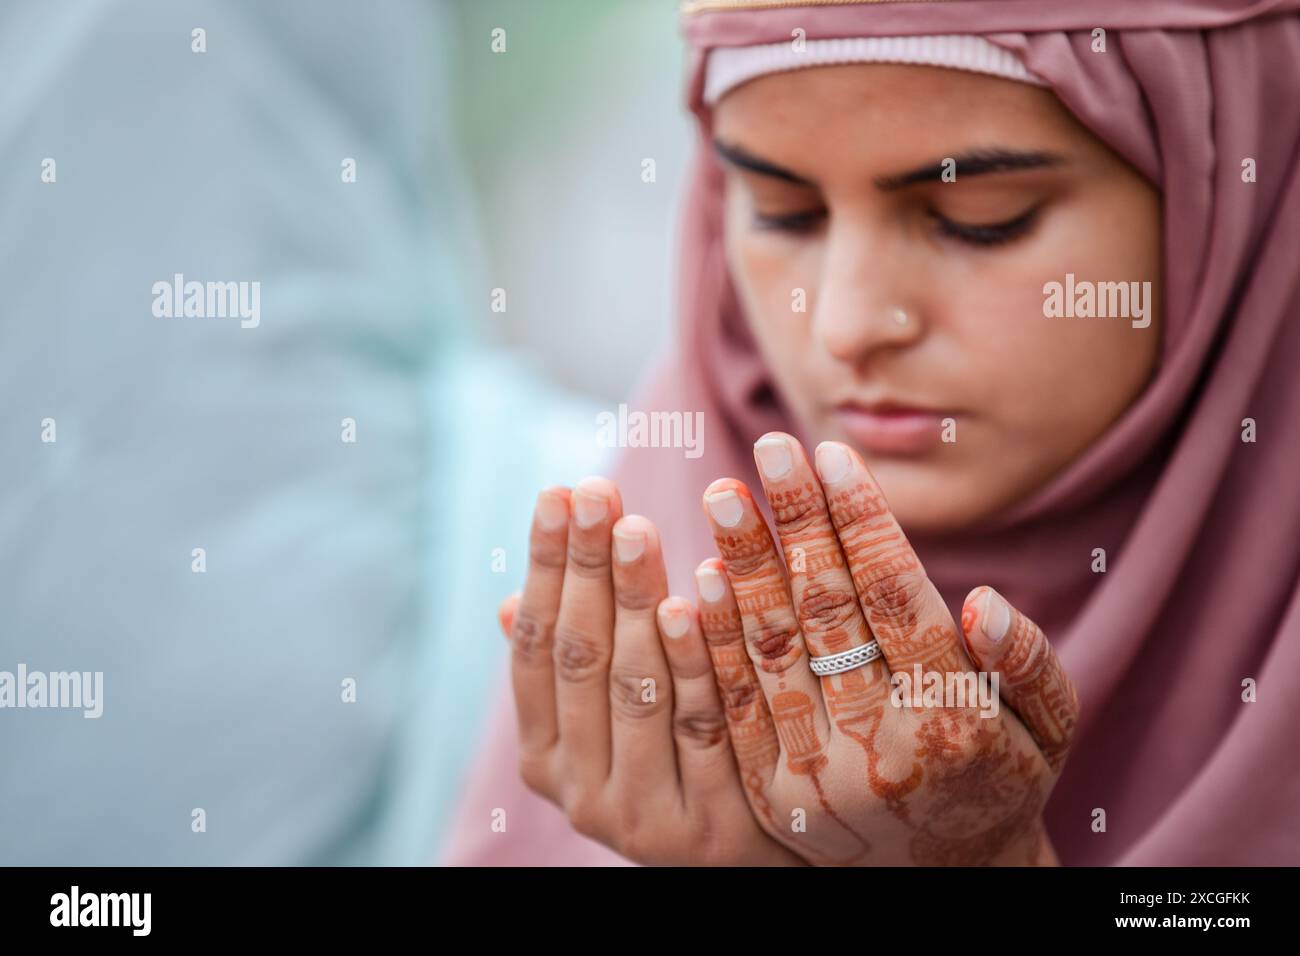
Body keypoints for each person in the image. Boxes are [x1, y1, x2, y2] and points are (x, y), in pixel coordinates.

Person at [444, 0, 1300, 866]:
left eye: (982, 218)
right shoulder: (653, 574)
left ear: (1228, 197)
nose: (847, 324)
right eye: (784, 213)